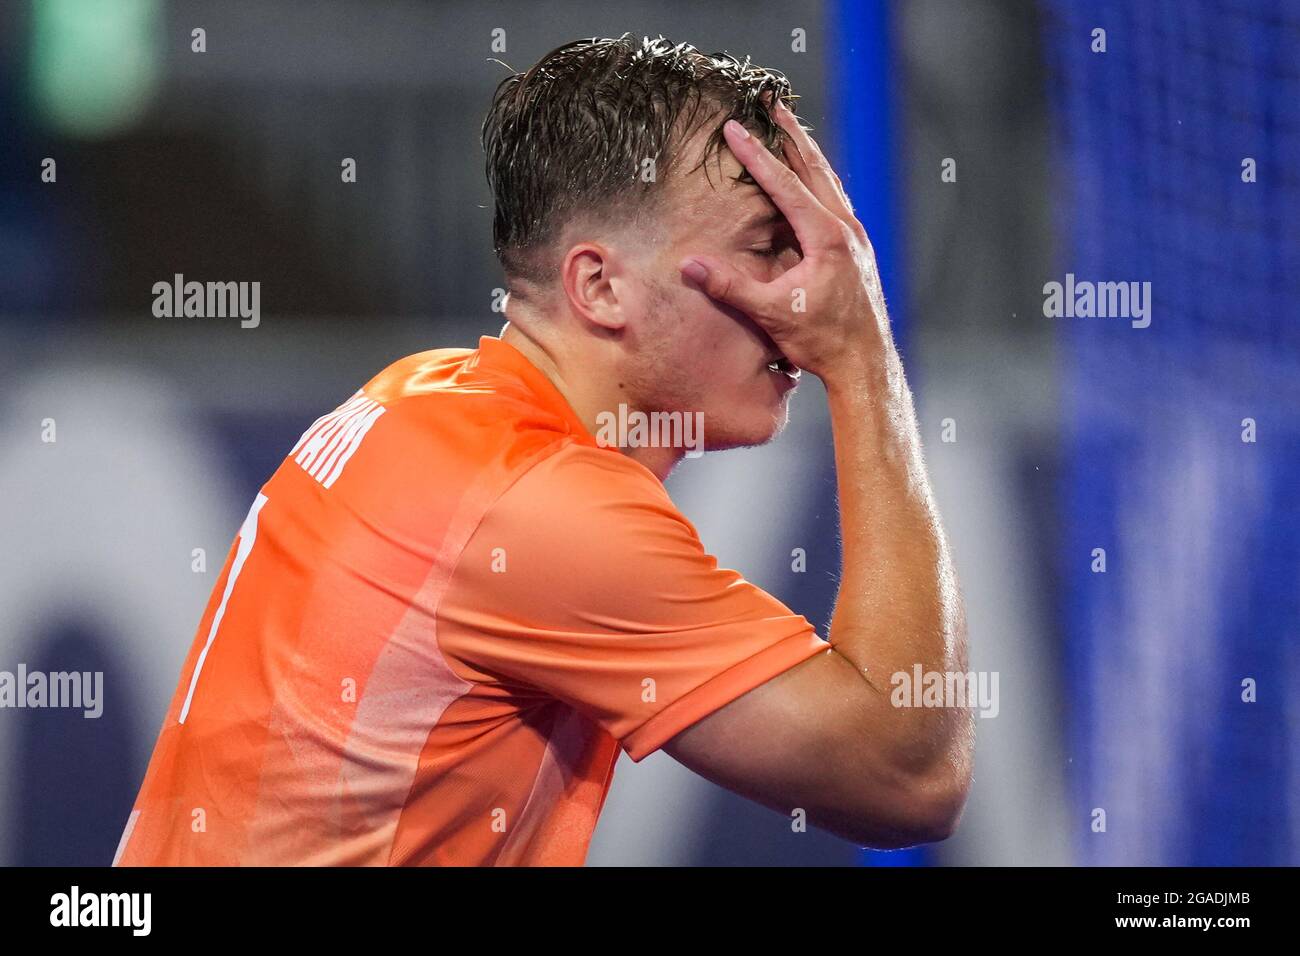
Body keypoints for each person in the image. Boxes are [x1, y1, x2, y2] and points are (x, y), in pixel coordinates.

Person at [113, 35, 973, 866]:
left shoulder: (421, 394)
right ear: (599, 286)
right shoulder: (540, 507)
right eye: (765, 248)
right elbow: (907, 774)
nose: (807, 294)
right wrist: (863, 360)